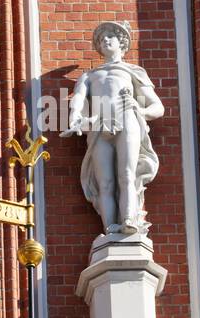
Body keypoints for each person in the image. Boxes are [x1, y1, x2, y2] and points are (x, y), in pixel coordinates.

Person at [62, 21, 163, 236]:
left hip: (127, 119)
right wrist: (75, 119)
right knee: (104, 182)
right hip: (99, 125)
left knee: (127, 173)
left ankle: (128, 219)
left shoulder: (133, 72)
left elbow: (158, 107)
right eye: (101, 39)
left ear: (122, 42)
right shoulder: (89, 76)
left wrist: (139, 110)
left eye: (110, 37)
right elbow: (78, 99)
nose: (105, 40)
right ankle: (110, 229)